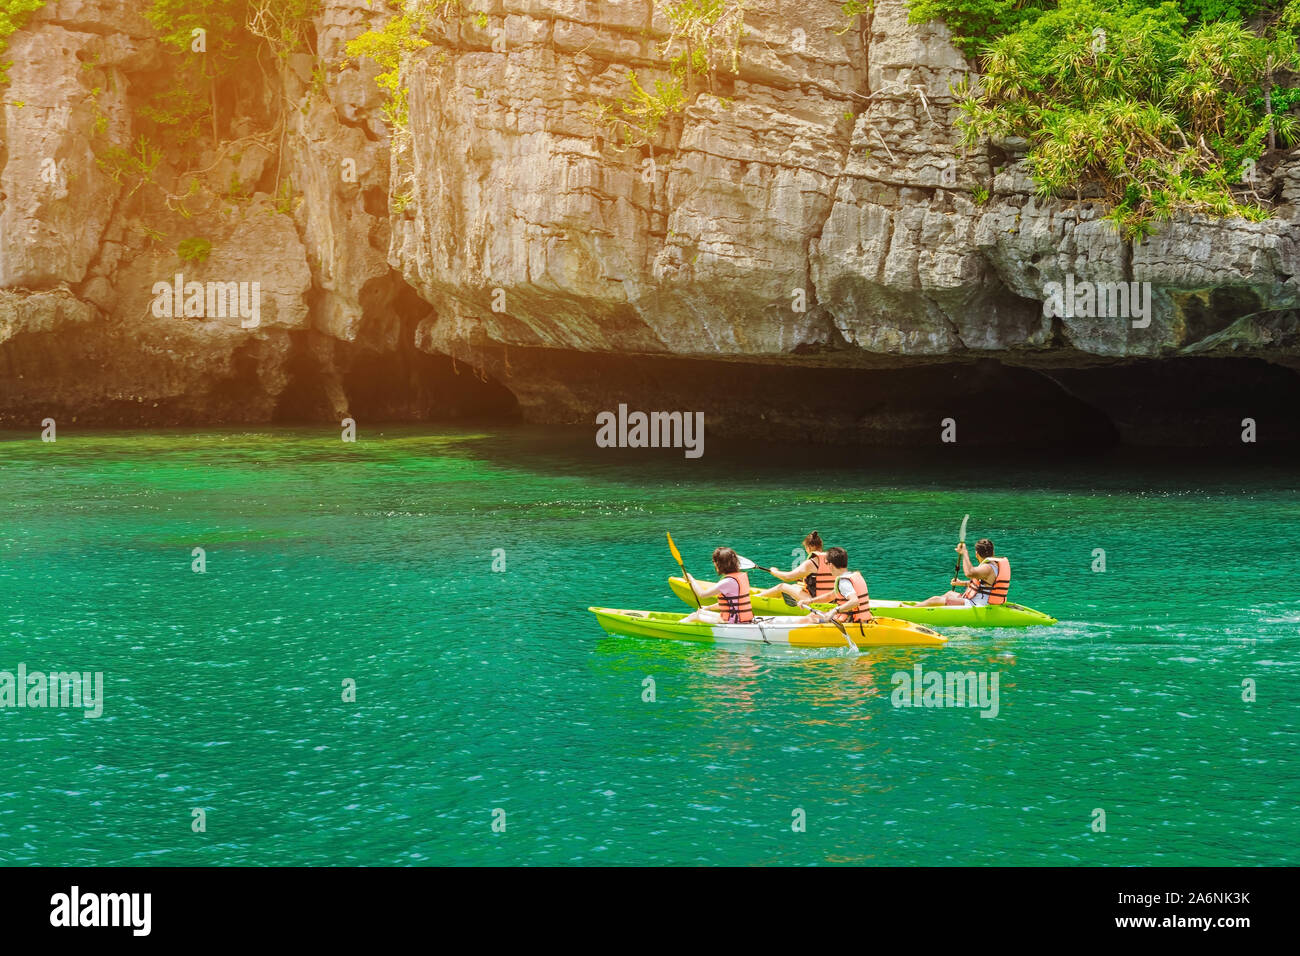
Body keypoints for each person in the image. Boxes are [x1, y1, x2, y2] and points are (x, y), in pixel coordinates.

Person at [919, 538, 1010, 607]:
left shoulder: (987, 567)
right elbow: (981, 585)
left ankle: (912, 609)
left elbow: (969, 573)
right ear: (993, 552)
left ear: (976, 554)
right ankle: (931, 607)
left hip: (978, 605)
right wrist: (961, 583)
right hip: (976, 600)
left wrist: (964, 553)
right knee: (950, 593)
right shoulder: (992, 566)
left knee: (935, 599)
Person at [756, 531, 836, 605]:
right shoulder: (833, 559)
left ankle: (754, 599)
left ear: (809, 547)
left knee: (782, 586)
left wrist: (774, 571)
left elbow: (787, 577)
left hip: (815, 601)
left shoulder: (811, 562)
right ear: (821, 545)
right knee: (795, 586)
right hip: (832, 600)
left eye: (805, 548)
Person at [798, 546, 873, 624]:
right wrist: (810, 601)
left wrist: (834, 611)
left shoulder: (844, 582)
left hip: (850, 623)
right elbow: (830, 596)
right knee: (813, 615)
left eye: (826, 563)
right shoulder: (852, 576)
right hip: (859, 621)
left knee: (806, 620)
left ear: (830, 565)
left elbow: (854, 601)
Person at [680, 547, 754, 624]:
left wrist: (691, 579)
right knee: (699, 613)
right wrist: (708, 608)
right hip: (740, 619)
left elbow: (702, 594)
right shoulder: (741, 577)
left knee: (694, 617)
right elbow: (732, 603)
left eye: (714, 561)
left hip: (732, 622)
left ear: (718, 564)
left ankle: (672, 628)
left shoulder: (727, 582)